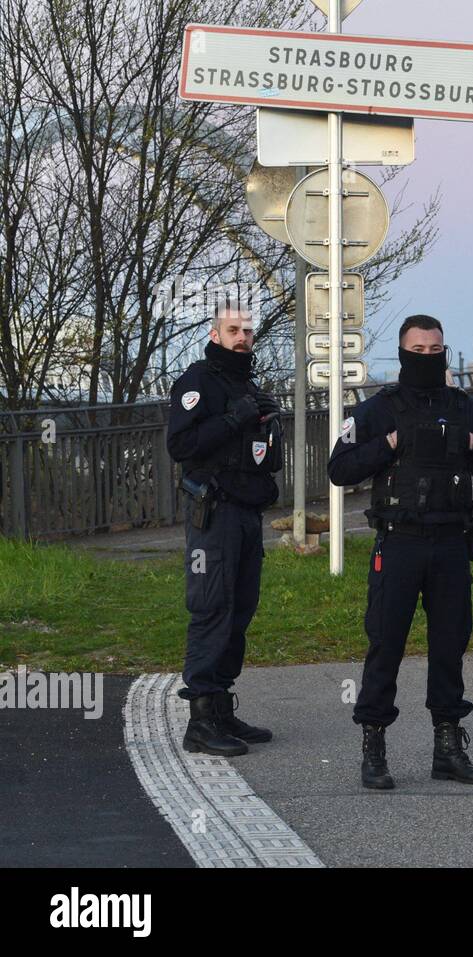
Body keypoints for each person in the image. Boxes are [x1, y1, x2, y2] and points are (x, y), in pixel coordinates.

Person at [327, 314, 473, 790]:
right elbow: (339, 467)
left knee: (449, 645)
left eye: (435, 351)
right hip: (400, 542)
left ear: (444, 351)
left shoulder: (465, 408)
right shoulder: (379, 410)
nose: (427, 358)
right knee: (386, 644)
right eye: (419, 351)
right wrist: (389, 444)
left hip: (451, 544)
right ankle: (374, 746)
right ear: (403, 352)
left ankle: (447, 748)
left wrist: (471, 444)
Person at [166, 301, 283, 756]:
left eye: (248, 331)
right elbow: (182, 444)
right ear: (215, 335)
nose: (242, 338)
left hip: (248, 512)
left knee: (241, 608)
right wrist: (237, 417)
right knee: (212, 606)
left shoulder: (247, 384)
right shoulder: (197, 382)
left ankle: (221, 709)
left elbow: (260, 454)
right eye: (233, 329)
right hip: (213, 514)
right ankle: (199, 721)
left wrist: (269, 423)